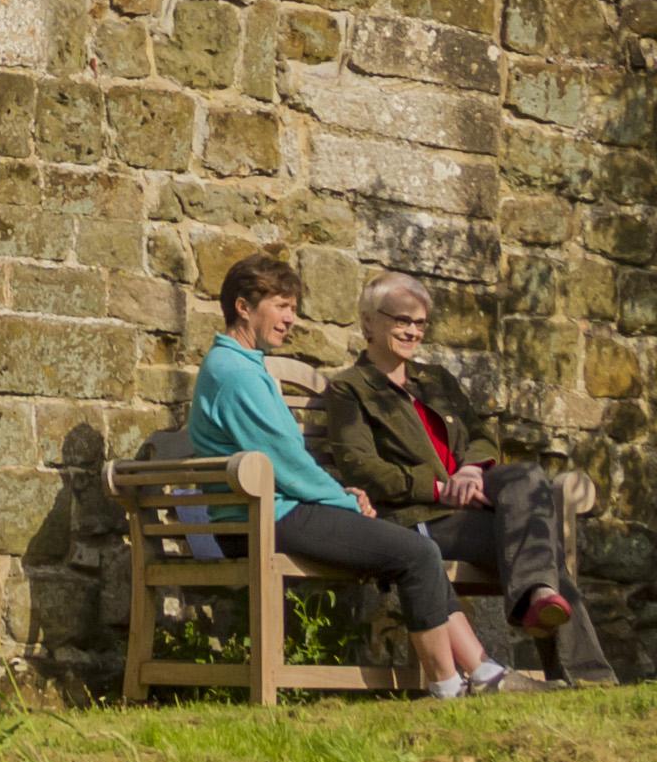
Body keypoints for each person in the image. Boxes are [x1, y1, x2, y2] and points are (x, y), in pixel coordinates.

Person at [185, 254, 509, 698]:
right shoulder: (234, 373)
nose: (290, 319)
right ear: (243, 307)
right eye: (281, 306)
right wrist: (343, 500)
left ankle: (482, 670)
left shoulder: (243, 365)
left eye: (292, 307)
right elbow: (285, 462)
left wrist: (340, 494)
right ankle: (448, 687)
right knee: (415, 553)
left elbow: (285, 460)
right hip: (263, 518)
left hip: (276, 510)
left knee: (413, 549)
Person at [307, 272, 617, 686]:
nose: (412, 331)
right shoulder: (350, 390)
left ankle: (535, 596)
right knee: (540, 544)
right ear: (368, 323)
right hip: (419, 516)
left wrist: (471, 470)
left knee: (527, 476)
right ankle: (587, 673)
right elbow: (361, 466)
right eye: (401, 320)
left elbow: (483, 436)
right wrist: (438, 487)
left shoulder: (436, 380)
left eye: (420, 323)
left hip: (469, 495)